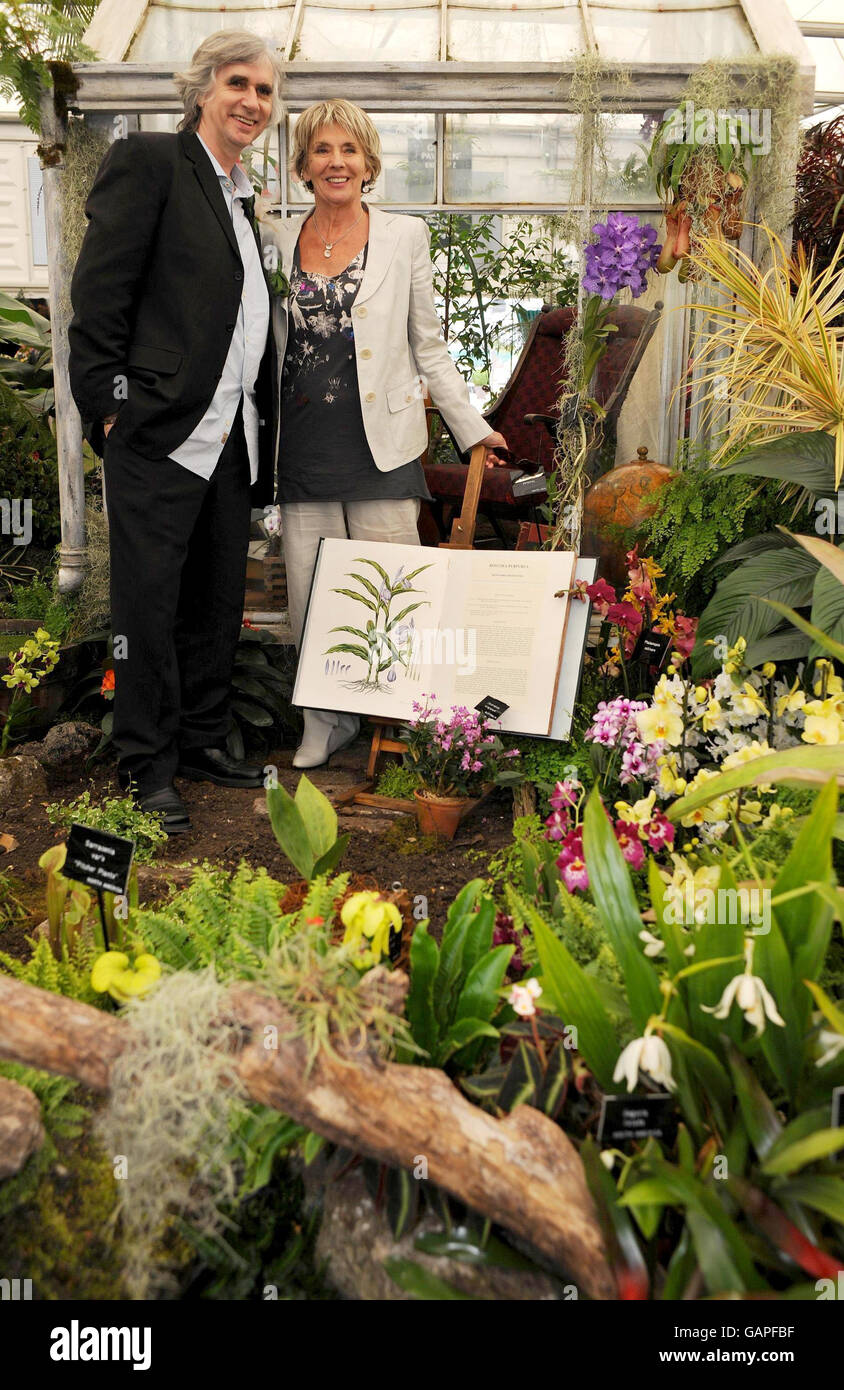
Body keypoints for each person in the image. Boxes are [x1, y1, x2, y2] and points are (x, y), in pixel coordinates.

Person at [69, 31, 283, 833]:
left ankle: (198, 742)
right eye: (238, 84)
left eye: (264, 91)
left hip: (231, 436)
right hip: (159, 429)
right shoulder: (155, 163)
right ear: (201, 90)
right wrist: (108, 405)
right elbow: (101, 293)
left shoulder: (239, 192)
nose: (252, 103)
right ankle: (145, 767)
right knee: (149, 609)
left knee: (215, 601)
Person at [260, 99, 508, 769]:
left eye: (348, 150)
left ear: (369, 163)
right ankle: (325, 719)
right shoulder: (275, 239)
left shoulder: (404, 236)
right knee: (314, 593)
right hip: (303, 443)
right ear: (303, 164)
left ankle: (404, 720)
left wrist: (472, 429)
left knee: (393, 588)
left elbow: (428, 346)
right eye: (321, 150)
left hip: (384, 440)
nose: (335, 161)